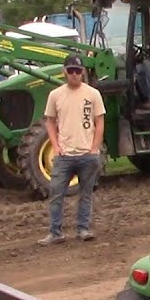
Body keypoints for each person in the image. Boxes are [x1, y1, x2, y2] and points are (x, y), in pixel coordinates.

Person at [38, 55, 106, 246]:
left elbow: (99, 121)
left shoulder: (93, 94)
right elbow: (50, 121)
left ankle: (83, 229)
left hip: (87, 155)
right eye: (71, 71)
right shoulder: (55, 95)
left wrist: (95, 147)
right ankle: (55, 232)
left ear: (83, 72)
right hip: (64, 156)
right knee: (56, 193)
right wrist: (56, 146)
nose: (74, 75)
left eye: (77, 71)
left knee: (86, 194)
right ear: (64, 72)